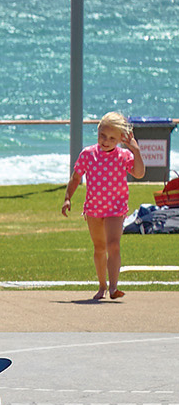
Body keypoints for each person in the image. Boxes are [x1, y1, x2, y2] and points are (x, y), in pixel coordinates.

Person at [63, 111, 146, 301]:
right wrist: (68, 198)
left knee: (113, 245)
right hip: (93, 208)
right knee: (99, 248)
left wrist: (136, 151)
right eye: (103, 136)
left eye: (112, 138)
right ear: (98, 131)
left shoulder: (124, 155)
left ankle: (114, 287)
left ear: (119, 139)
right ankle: (102, 285)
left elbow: (139, 173)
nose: (106, 141)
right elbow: (76, 177)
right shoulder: (88, 154)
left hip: (115, 208)